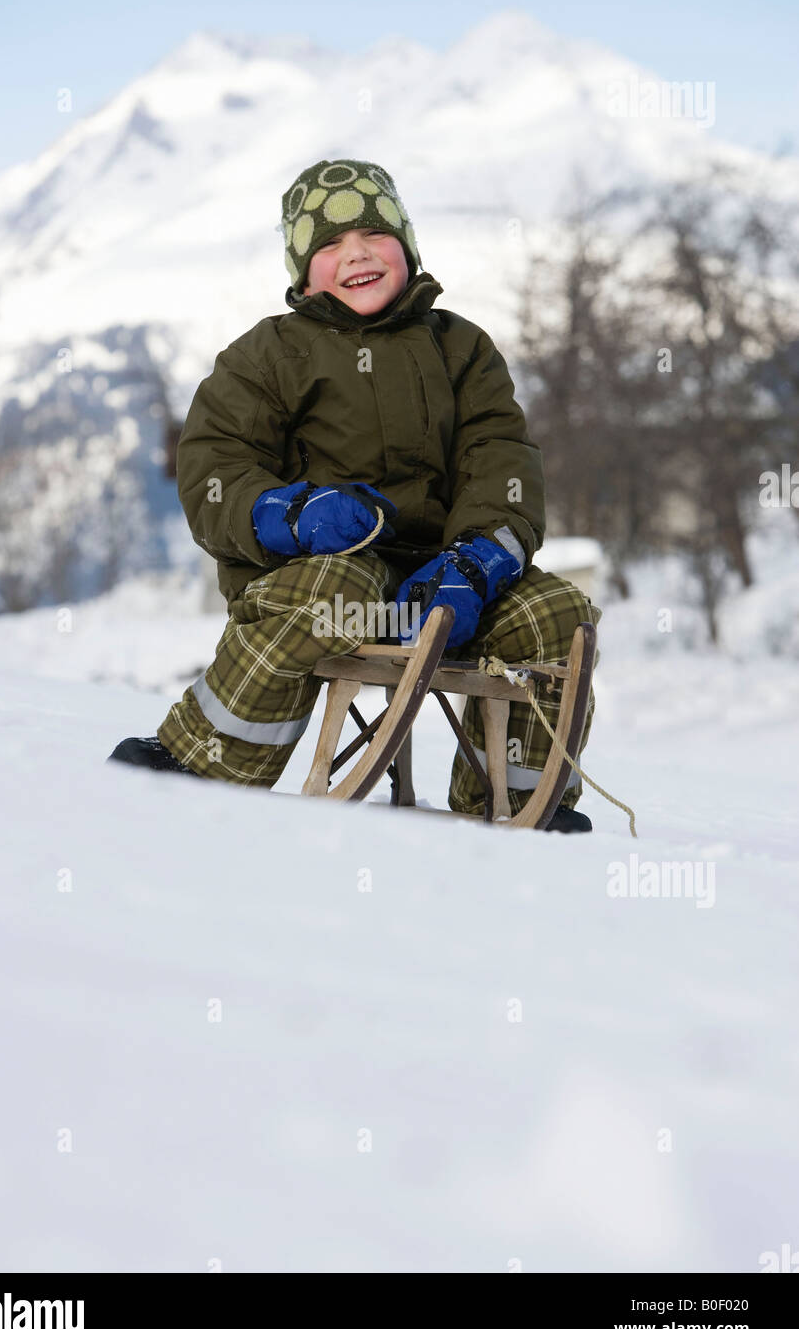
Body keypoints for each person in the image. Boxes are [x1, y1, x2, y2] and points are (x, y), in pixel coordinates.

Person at [109, 158, 601, 830]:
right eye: (330, 245)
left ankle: (513, 796)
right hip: (314, 576)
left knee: (556, 612)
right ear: (303, 272)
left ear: (407, 246)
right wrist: (290, 514)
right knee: (339, 588)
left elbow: (501, 463)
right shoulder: (269, 356)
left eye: (374, 235)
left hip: (443, 586)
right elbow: (215, 465)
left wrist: (480, 560)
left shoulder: (461, 349)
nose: (356, 254)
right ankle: (199, 757)